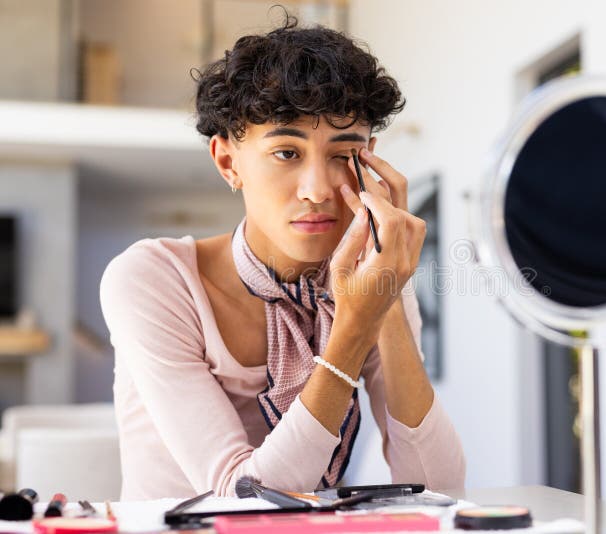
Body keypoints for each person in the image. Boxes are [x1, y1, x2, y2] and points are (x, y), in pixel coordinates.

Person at [99, 15, 466, 500]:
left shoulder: (372, 277)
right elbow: (245, 499)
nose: (317, 191)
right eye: (287, 153)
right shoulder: (152, 279)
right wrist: (353, 331)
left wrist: (387, 298)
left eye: (343, 154)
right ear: (228, 162)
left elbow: (438, 492)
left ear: (370, 160)